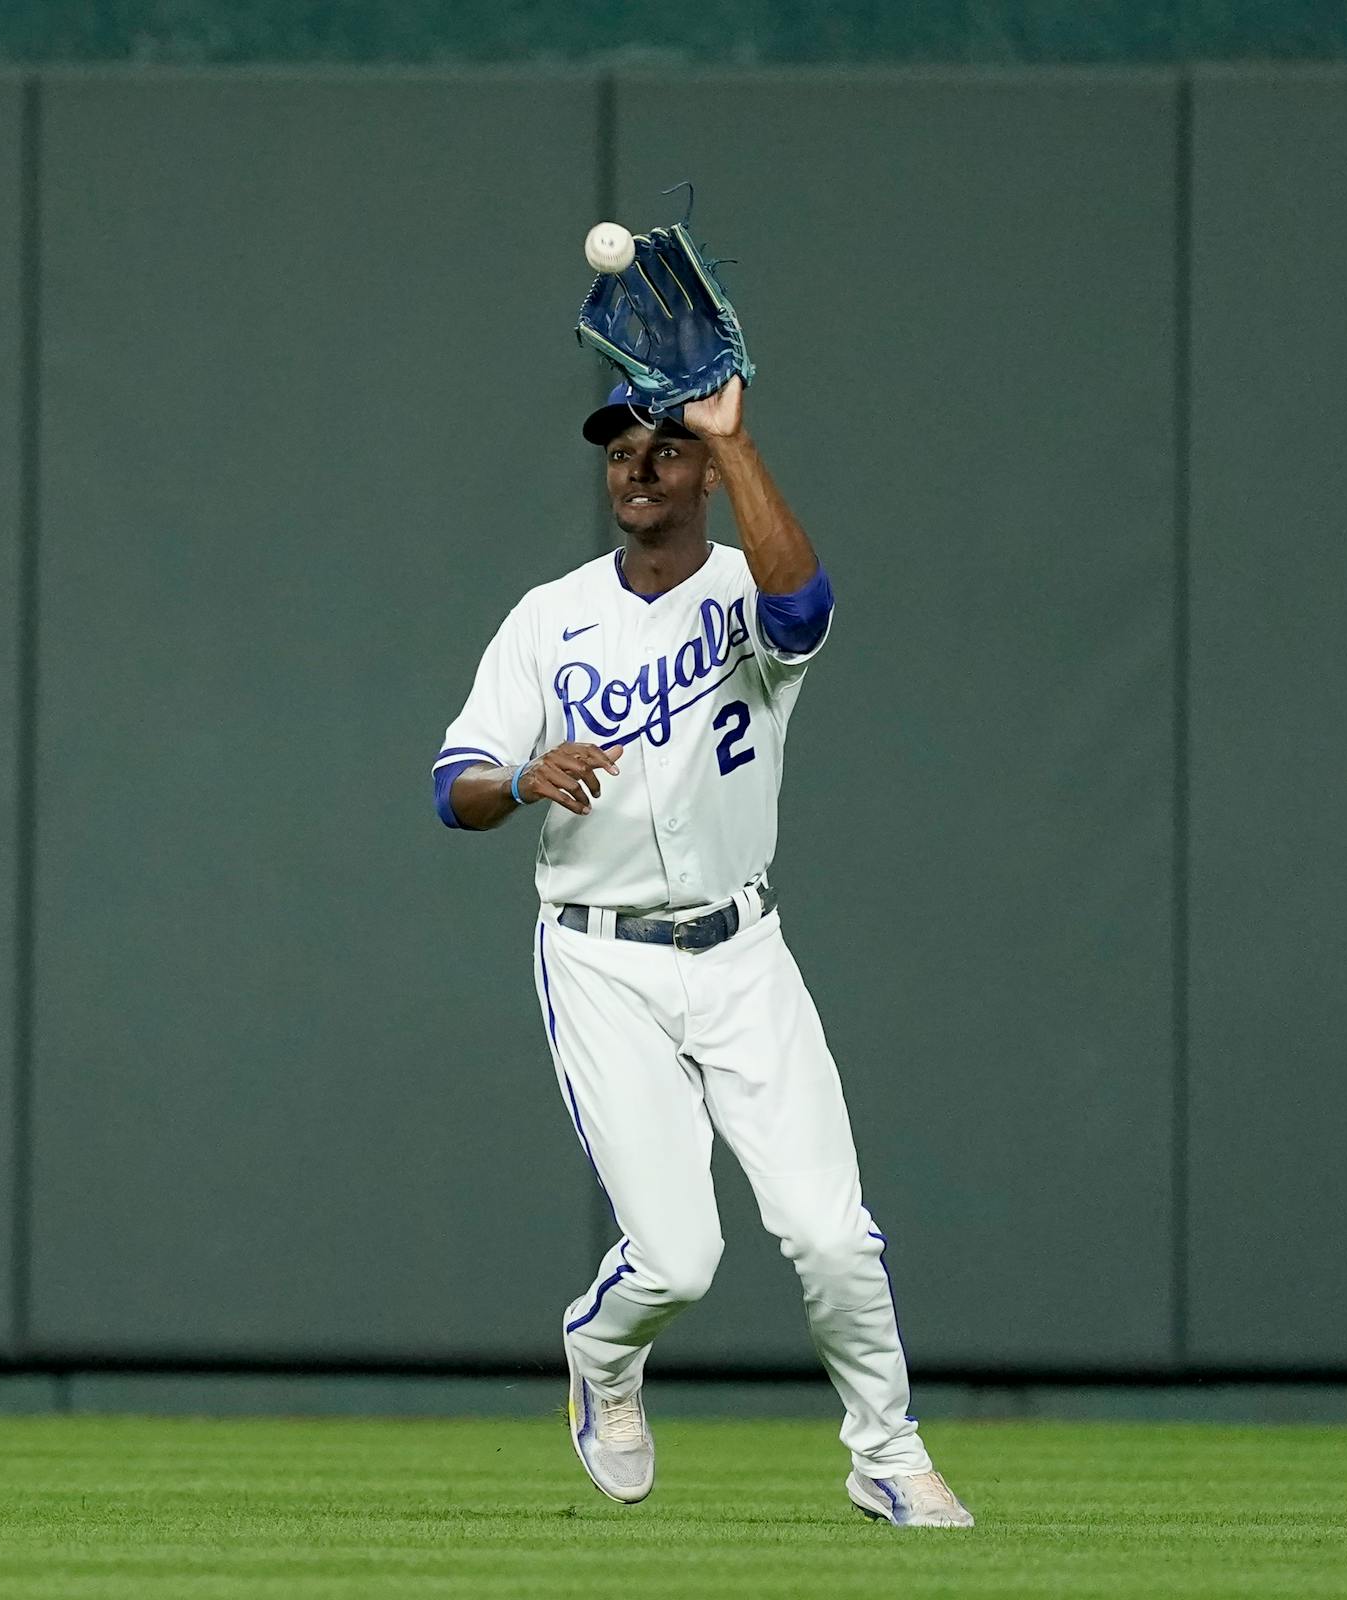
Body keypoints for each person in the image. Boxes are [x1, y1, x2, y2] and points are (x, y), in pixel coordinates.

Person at [430, 376, 973, 1529]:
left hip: (742, 950)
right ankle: (604, 1351)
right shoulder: (548, 617)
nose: (636, 466)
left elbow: (806, 605)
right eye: (620, 450)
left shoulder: (747, 586)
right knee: (677, 1259)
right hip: (600, 956)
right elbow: (453, 786)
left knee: (831, 1233)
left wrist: (736, 441)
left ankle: (887, 1452)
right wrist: (521, 779)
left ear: (707, 475)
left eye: (664, 450)